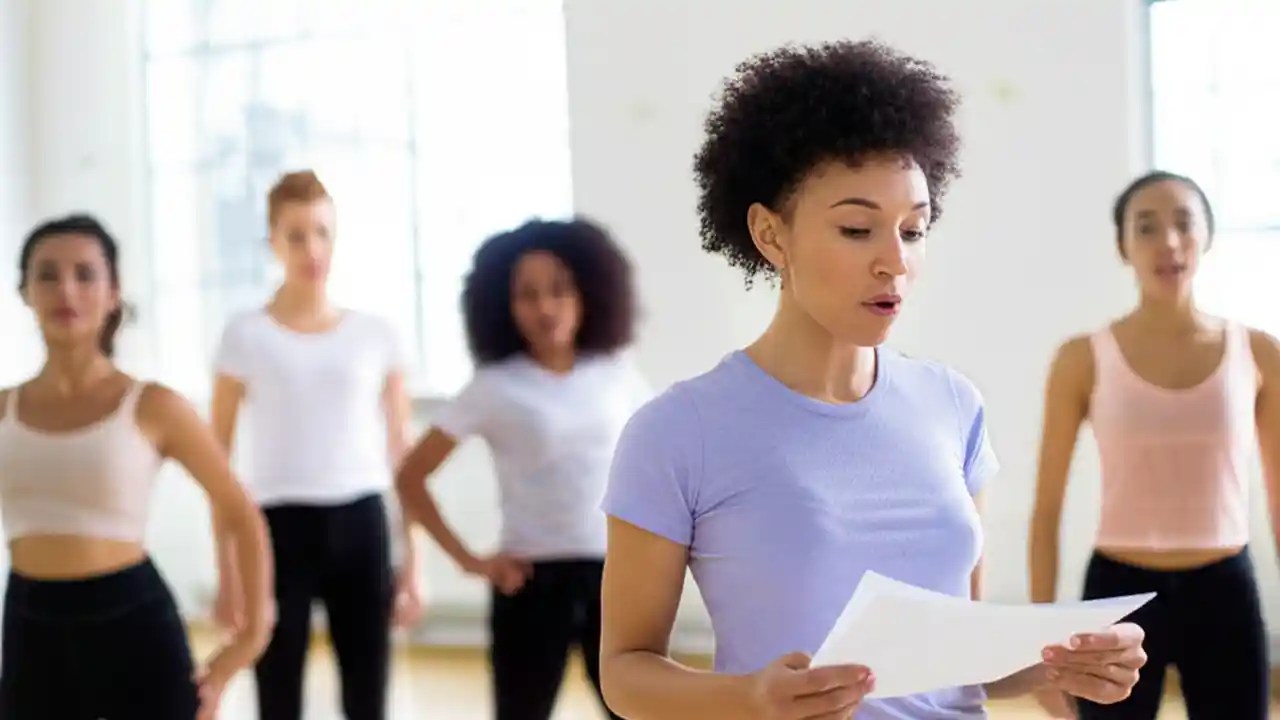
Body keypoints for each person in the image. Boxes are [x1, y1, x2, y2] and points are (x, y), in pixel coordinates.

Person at [597, 39, 1148, 720]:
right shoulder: (679, 432)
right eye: (858, 229)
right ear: (770, 235)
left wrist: (1061, 663)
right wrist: (749, 698)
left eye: (913, 230)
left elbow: (957, 660)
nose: (895, 262)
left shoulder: (953, 405)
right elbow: (625, 673)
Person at [0, 214, 273, 719]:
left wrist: (247, 641)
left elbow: (240, 512)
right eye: (47, 275)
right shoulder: (3, 410)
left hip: (133, 626)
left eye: (85, 274)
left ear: (113, 293)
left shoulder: (153, 406)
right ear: (24, 292)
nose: (66, 289)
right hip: (30, 628)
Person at [1029, 170, 1277, 719]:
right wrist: (1039, 643)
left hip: (1225, 589)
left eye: (1184, 223)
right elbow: (1046, 509)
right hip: (1119, 592)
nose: (1168, 241)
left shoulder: (1259, 353)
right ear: (1123, 246)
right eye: (1146, 227)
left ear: (1207, 236)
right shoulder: (1081, 358)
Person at [396, 217, 647, 720]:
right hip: (530, 582)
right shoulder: (494, 387)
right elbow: (410, 476)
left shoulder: (616, 372)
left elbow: (660, 460)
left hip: (614, 575)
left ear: (587, 292)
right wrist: (470, 561)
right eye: (527, 295)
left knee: (637, 712)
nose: (545, 308)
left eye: (559, 290)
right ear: (505, 305)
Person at [210, 170, 424, 720]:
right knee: (277, 693)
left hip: (361, 524)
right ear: (273, 242)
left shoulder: (376, 334)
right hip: (275, 529)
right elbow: (217, 464)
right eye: (297, 235)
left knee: (367, 696)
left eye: (322, 232)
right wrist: (228, 573)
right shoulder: (244, 335)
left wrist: (413, 562)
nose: (312, 249)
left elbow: (402, 454)